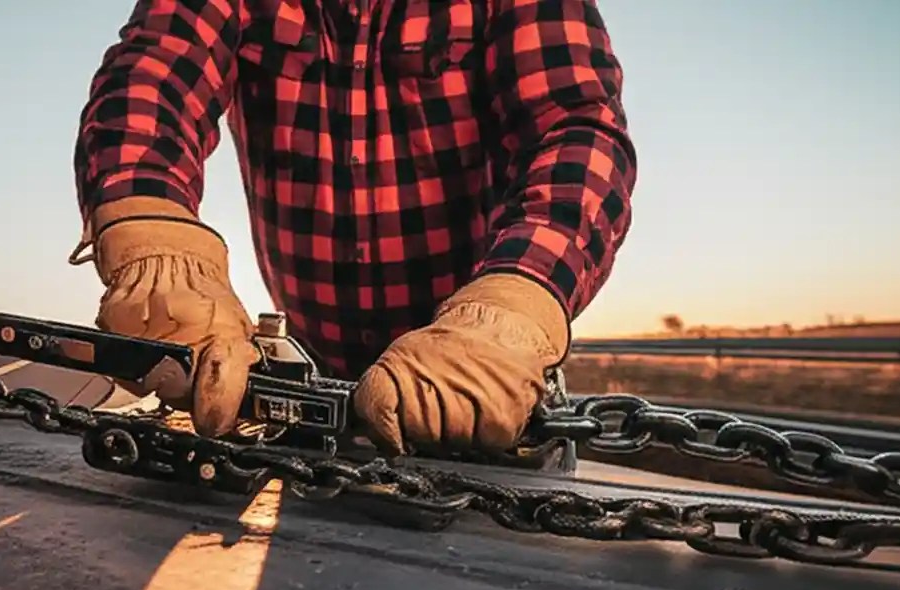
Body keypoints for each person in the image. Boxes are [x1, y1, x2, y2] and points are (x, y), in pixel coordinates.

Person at [69, 0, 637, 457]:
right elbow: (152, 78)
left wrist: (515, 305)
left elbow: (574, 128)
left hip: (482, 383)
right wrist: (154, 239)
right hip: (307, 388)